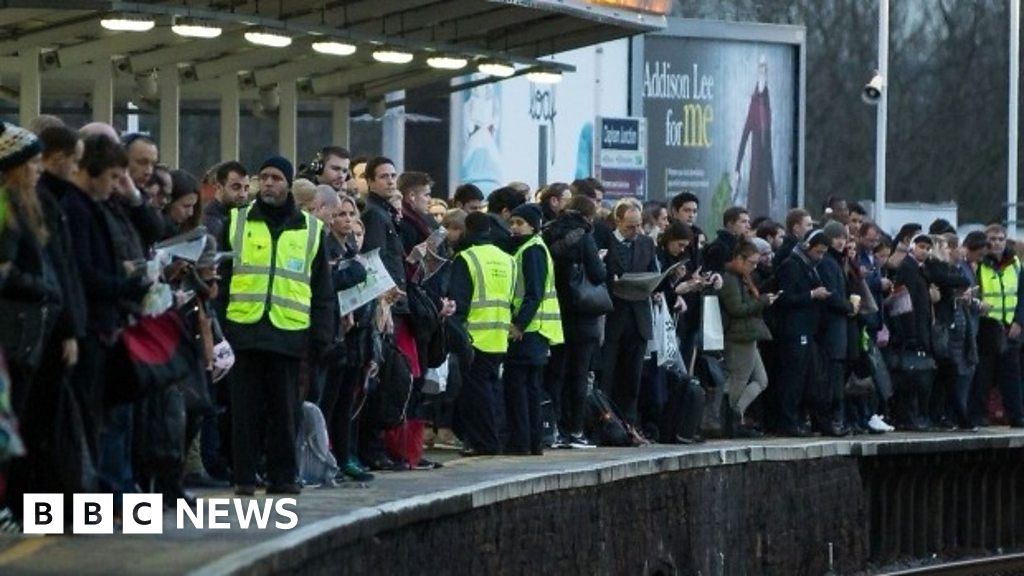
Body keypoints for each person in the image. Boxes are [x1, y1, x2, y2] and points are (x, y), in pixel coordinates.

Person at [220, 155, 334, 495]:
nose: (268, 183)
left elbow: (322, 290)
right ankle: (243, 476)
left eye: (276, 178)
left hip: (288, 333)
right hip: (243, 330)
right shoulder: (236, 222)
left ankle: (282, 476)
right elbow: (222, 280)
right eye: (264, 177)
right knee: (244, 411)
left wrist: (322, 337)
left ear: (287, 184)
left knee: (286, 412)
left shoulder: (311, 230)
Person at [450, 212, 516, 455]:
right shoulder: (507, 259)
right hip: (500, 332)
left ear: (468, 230)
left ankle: (484, 443)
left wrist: (457, 335)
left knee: (476, 394)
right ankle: (494, 438)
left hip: (474, 335)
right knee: (492, 389)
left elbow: (459, 300)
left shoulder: (466, 257)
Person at [543, 196, 606, 448]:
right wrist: (599, 259)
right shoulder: (584, 236)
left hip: (554, 312)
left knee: (555, 372)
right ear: (588, 216)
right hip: (582, 313)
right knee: (579, 373)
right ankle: (575, 429)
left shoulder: (548, 232)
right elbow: (598, 274)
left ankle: (553, 427)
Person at [503, 204, 562, 455]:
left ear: (533, 225)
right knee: (529, 389)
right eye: (512, 222)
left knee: (519, 388)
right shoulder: (532, 248)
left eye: (520, 223)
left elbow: (533, 293)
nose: (514, 227)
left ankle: (522, 442)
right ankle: (531, 442)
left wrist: (519, 324)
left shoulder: (531, 250)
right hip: (537, 330)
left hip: (530, 331)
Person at [600, 200, 659, 426]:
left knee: (633, 376)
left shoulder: (646, 243)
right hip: (614, 315)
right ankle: (606, 424)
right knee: (608, 374)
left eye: (638, 225)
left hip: (639, 316)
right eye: (630, 227)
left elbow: (653, 272)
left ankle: (629, 424)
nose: (635, 231)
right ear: (618, 222)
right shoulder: (606, 241)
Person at [772, 229, 831, 436]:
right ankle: (786, 421)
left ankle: (794, 419)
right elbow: (785, 297)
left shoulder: (809, 267)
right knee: (792, 377)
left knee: (801, 377)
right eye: (818, 252)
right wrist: (812, 294)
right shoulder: (792, 265)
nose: (820, 257)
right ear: (808, 247)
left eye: (823, 253)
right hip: (794, 329)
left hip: (806, 328)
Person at [719, 240, 778, 437]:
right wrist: (762, 301)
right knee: (738, 380)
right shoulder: (730, 279)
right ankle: (732, 422)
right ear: (739, 259)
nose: (754, 267)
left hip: (749, 333)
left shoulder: (744, 278)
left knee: (761, 380)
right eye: (751, 263)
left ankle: (737, 414)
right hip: (738, 336)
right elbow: (736, 309)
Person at [972, 224, 1024, 427]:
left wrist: (1019, 321)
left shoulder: (1016, 263)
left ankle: (1017, 415)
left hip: (1009, 326)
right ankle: (978, 415)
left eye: (1000, 239)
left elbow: (1021, 294)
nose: (996, 243)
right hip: (987, 326)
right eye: (992, 239)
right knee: (983, 374)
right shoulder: (980, 264)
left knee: (1011, 375)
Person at [888, 234, 938, 430]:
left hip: (920, 328)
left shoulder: (920, 270)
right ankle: (906, 417)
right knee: (910, 376)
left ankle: (912, 415)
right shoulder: (907, 269)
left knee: (917, 375)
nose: (924, 251)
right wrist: (910, 334)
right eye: (921, 246)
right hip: (911, 331)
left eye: (928, 248)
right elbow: (903, 303)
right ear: (913, 247)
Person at [815, 221, 856, 436]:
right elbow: (832, 296)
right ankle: (832, 420)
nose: (841, 241)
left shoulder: (837, 262)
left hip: (837, 329)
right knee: (832, 376)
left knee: (836, 375)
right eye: (837, 237)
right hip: (832, 329)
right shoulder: (829, 263)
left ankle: (836, 419)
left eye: (844, 237)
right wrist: (849, 305)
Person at [732, 54, 775, 218]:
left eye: (765, 67)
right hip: (756, 166)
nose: (763, 70)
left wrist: (774, 188)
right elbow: (744, 136)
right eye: (761, 67)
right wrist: (737, 166)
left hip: (764, 168)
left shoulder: (766, 101)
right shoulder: (756, 102)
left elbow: (769, 148)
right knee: (755, 196)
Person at [203, 161, 248, 241]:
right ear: (219, 187)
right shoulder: (211, 223)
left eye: (246, 188)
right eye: (236, 187)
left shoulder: (245, 218)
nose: (243, 194)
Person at [703, 206, 751, 274]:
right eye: (743, 222)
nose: (748, 226)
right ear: (730, 223)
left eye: (748, 222)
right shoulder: (719, 248)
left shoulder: (739, 245)